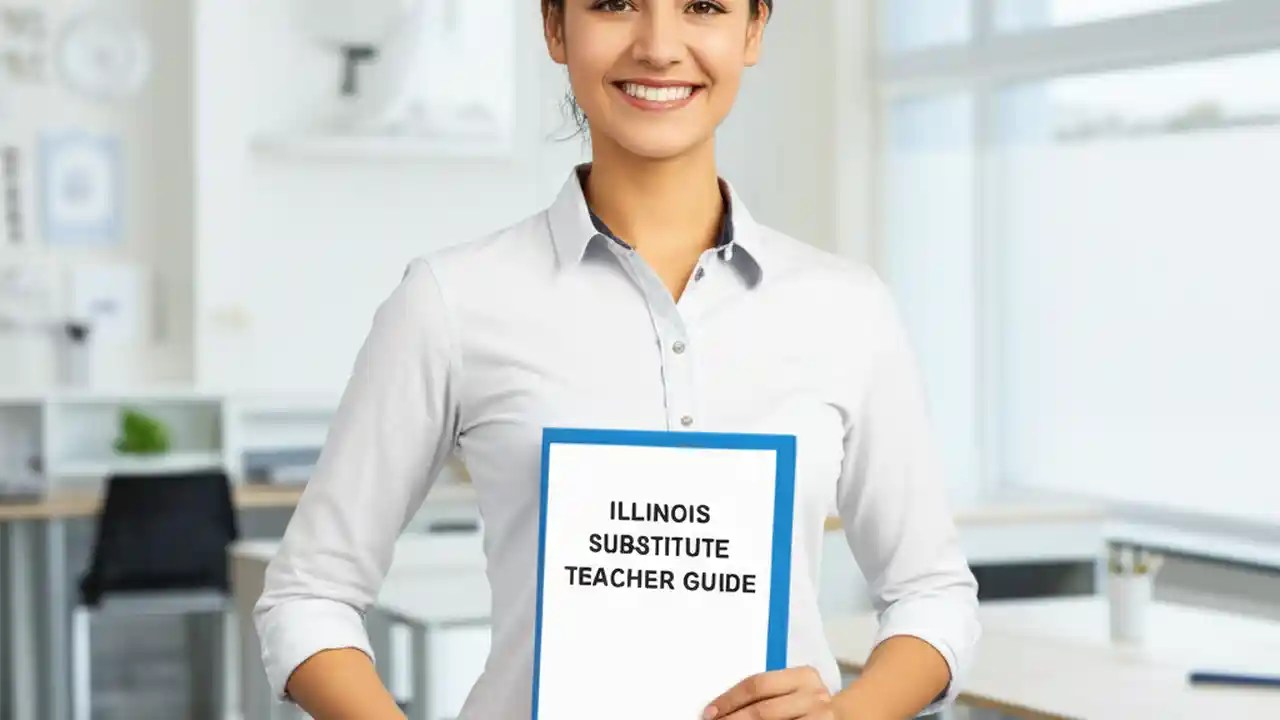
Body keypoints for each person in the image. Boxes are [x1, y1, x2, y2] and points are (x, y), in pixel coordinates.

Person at [254, 1, 981, 718]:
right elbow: (309, 597)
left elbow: (933, 595)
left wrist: (846, 719)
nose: (659, 46)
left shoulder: (845, 308)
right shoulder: (451, 301)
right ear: (553, 26)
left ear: (754, 28)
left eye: (702, 6)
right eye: (613, 3)